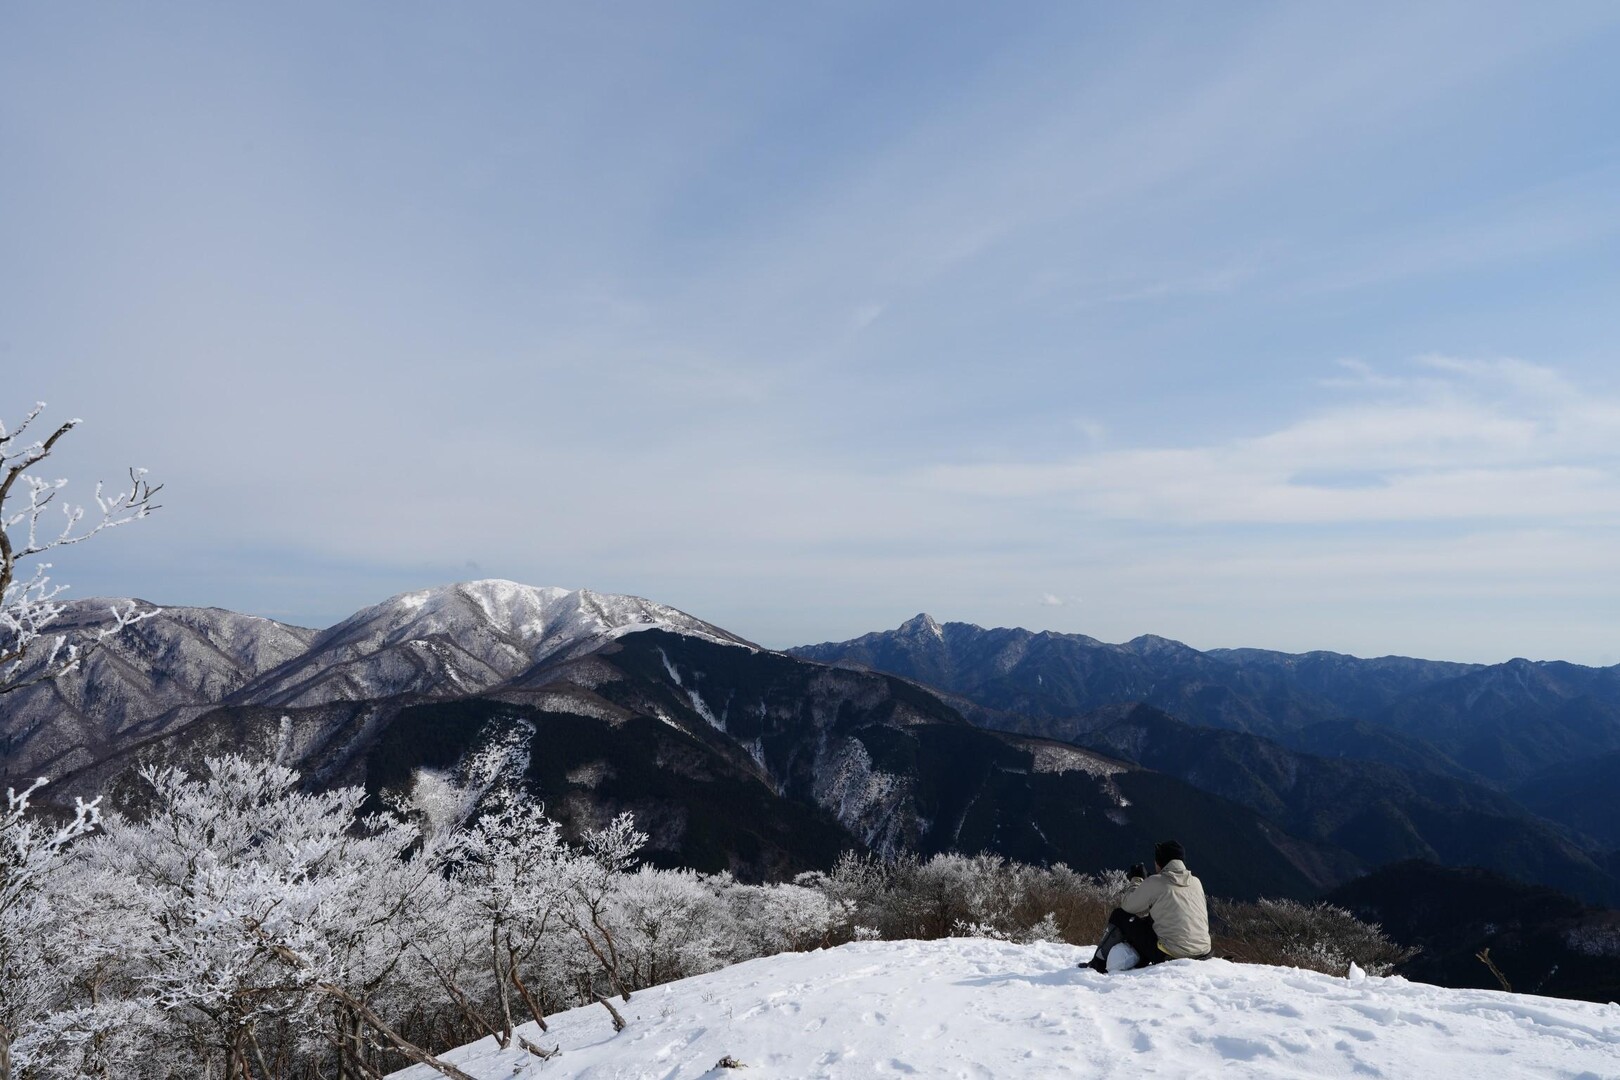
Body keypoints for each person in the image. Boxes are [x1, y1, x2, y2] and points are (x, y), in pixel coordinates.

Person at [1087, 839, 1211, 973]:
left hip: (1172, 954)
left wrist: (1136, 880)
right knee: (1150, 921)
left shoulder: (1156, 882)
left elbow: (1128, 906)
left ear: (1160, 861)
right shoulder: (1196, 882)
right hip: (1203, 951)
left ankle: (1097, 964)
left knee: (1120, 915)